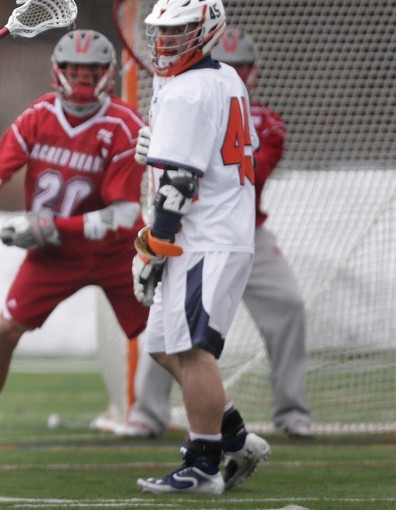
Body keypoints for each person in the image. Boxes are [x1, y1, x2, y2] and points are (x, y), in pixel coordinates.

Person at [0, 29, 148, 470]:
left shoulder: (125, 124)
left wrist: (54, 225)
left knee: (168, 346)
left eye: (91, 71)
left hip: (115, 254)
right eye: (74, 70)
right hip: (54, 254)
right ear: (58, 71)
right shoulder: (39, 115)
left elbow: (123, 217)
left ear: (108, 74)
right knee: (5, 331)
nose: (82, 80)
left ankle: (219, 432)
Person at [121, 26, 313, 441]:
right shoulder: (203, 92)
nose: (236, 72)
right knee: (163, 337)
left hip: (226, 228)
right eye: (232, 64)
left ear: (254, 72)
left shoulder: (242, 107)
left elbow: (218, 169)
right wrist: (167, 147)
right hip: (191, 228)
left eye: (242, 65)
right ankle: (163, 416)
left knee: (200, 341)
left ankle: (281, 415)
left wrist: (171, 146)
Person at [131, 0, 271, 494]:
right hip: (215, 231)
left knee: (191, 349)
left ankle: (204, 463)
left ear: (208, 29)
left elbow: (180, 183)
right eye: (162, 31)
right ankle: (233, 437)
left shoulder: (186, 90)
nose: (167, 40)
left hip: (203, 237)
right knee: (163, 347)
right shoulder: (224, 79)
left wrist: (153, 247)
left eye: (182, 29)